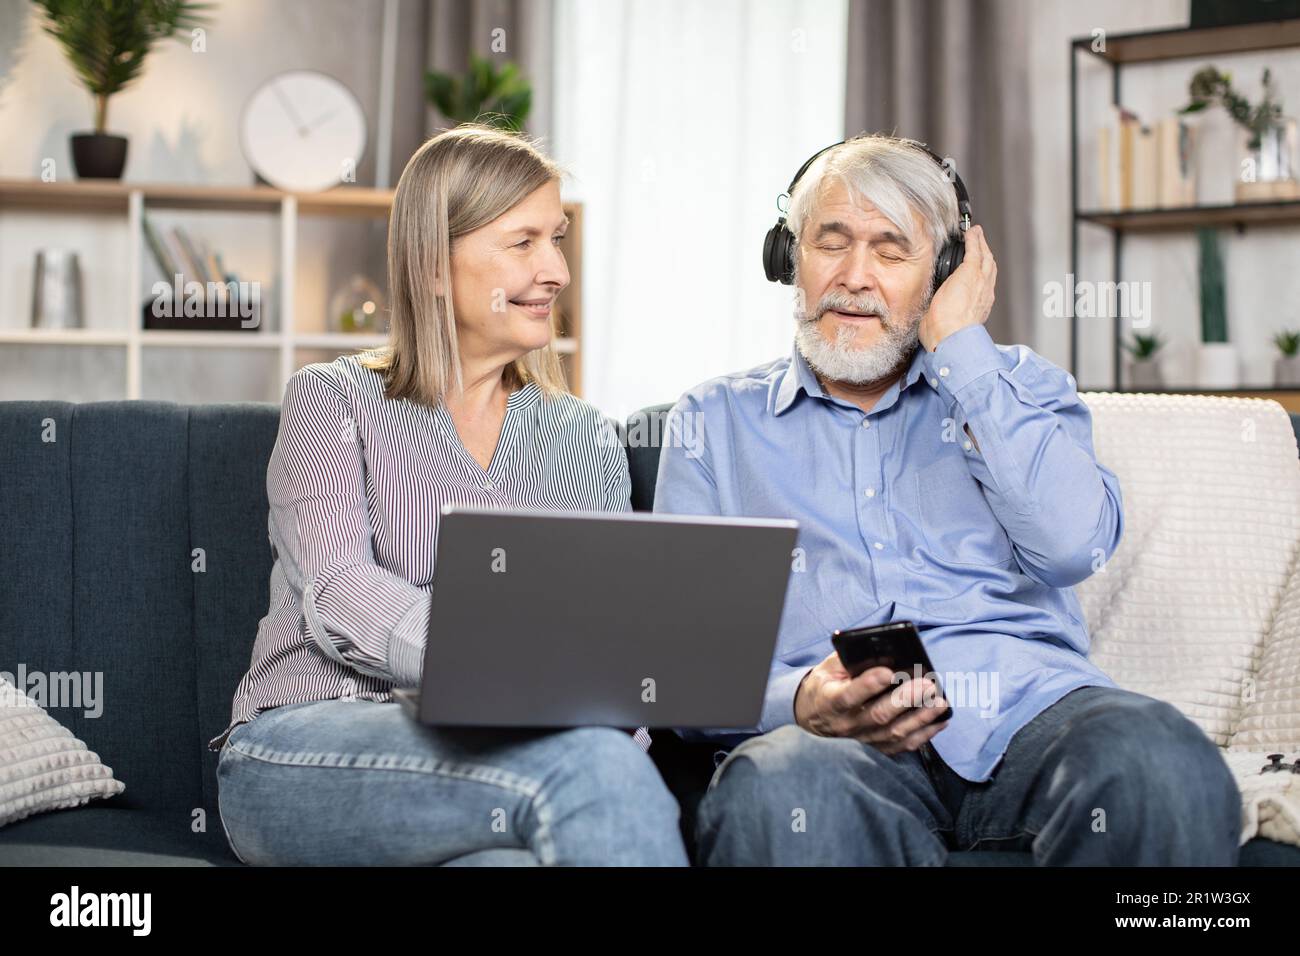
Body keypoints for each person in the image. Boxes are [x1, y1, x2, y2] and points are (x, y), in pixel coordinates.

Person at [653, 132, 1241, 866]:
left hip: (1029, 717)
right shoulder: (714, 423)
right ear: (789, 261)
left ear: (946, 270)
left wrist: (963, 350)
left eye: (892, 251)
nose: (855, 277)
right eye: (830, 243)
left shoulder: (1017, 388)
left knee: (1161, 762)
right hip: (829, 748)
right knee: (780, 794)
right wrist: (798, 699)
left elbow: (1070, 546)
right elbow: (678, 669)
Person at [210, 125, 687, 867]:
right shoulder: (332, 401)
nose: (557, 270)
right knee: (593, 770)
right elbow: (339, 594)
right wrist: (519, 664)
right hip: (308, 742)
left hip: (504, 753)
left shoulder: (585, 438)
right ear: (434, 266)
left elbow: (601, 629)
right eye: (523, 242)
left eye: (557, 239)